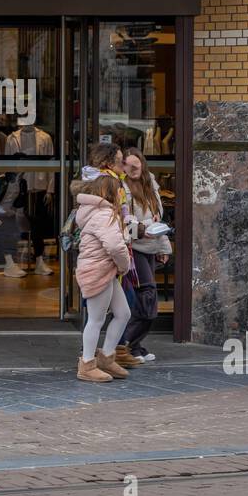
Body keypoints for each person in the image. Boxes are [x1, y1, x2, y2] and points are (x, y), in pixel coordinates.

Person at [73, 173, 132, 383]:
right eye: (119, 190)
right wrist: (125, 266)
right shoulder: (103, 214)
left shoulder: (98, 212)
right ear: (112, 192)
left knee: (123, 313)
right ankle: (87, 365)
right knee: (96, 319)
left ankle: (106, 358)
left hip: (103, 270)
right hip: (98, 271)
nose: (122, 194)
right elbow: (115, 246)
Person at [119, 147, 171, 364]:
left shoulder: (151, 185)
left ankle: (134, 346)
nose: (133, 170)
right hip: (133, 249)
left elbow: (158, 219)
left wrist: (163, 248)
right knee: (147, 296)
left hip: (150, 246)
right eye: (128, 167)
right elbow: (124, 225)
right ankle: (123, 346)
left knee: (142, 299)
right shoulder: (121, 189)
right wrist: (144, 228)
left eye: (136, 167)